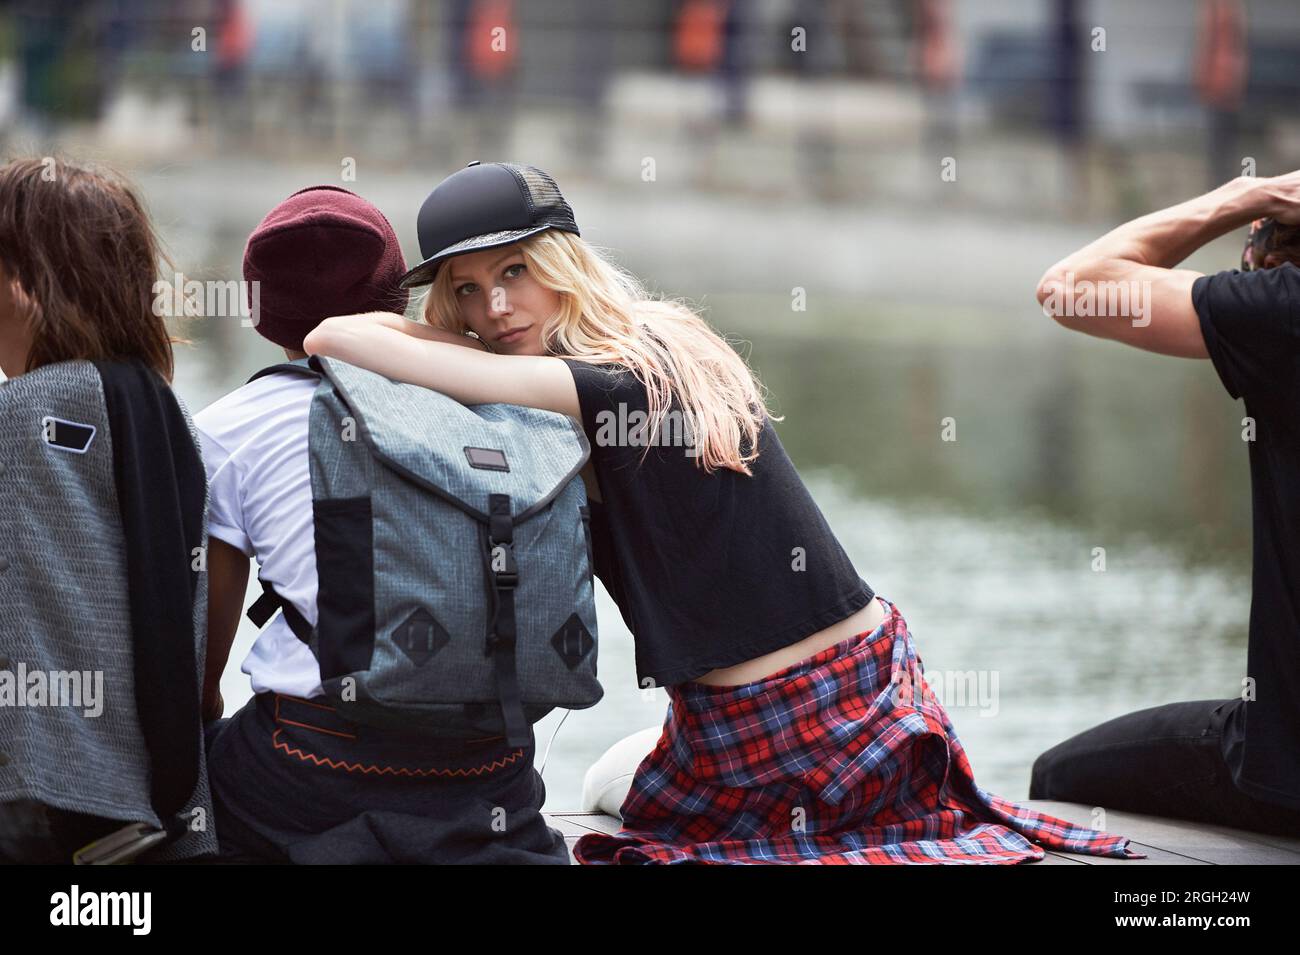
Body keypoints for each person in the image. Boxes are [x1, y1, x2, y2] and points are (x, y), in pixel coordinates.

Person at [304, 160, 1143, 864]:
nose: (494, 309)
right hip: (883, 699)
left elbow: (338, 339)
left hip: (769, 736)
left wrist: (417, 335)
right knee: (626, 766)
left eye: (515, 271)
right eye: (467, 289)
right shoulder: (667, 340)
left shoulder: (604, 388)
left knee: (603, 784)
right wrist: (469, 339)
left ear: (563, 263)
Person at [194, 185, 568, 864]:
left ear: (259, 313)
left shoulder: (227, 429)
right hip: (489, 768)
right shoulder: (490, 393)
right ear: (398, 297)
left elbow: (202, 669)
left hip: (311, 764)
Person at [1032, 170, 1300, 837]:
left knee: (1058, 777)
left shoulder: (1283, 314)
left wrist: (1248, 194)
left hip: (1285, 770)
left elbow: (1069, 288)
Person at [0, 157, 213, 863]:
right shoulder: (164, 410)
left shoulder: (19, 415)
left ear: (25, 279)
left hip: (33, 808)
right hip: (153, 808)